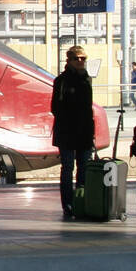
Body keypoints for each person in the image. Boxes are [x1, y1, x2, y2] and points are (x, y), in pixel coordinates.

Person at [51, 45, 95, 220]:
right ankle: (68, 204)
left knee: (84, 168)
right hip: (67, 132)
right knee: (68, 168)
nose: (80, 61)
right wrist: (71, 121)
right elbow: (56, 107)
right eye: (76, 58)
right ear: (68, 61)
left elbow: (88, 108)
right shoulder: (61, 80)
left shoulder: (87, 80)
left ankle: (81, 201)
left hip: (84, 132)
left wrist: (90, 130)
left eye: (83, 58)